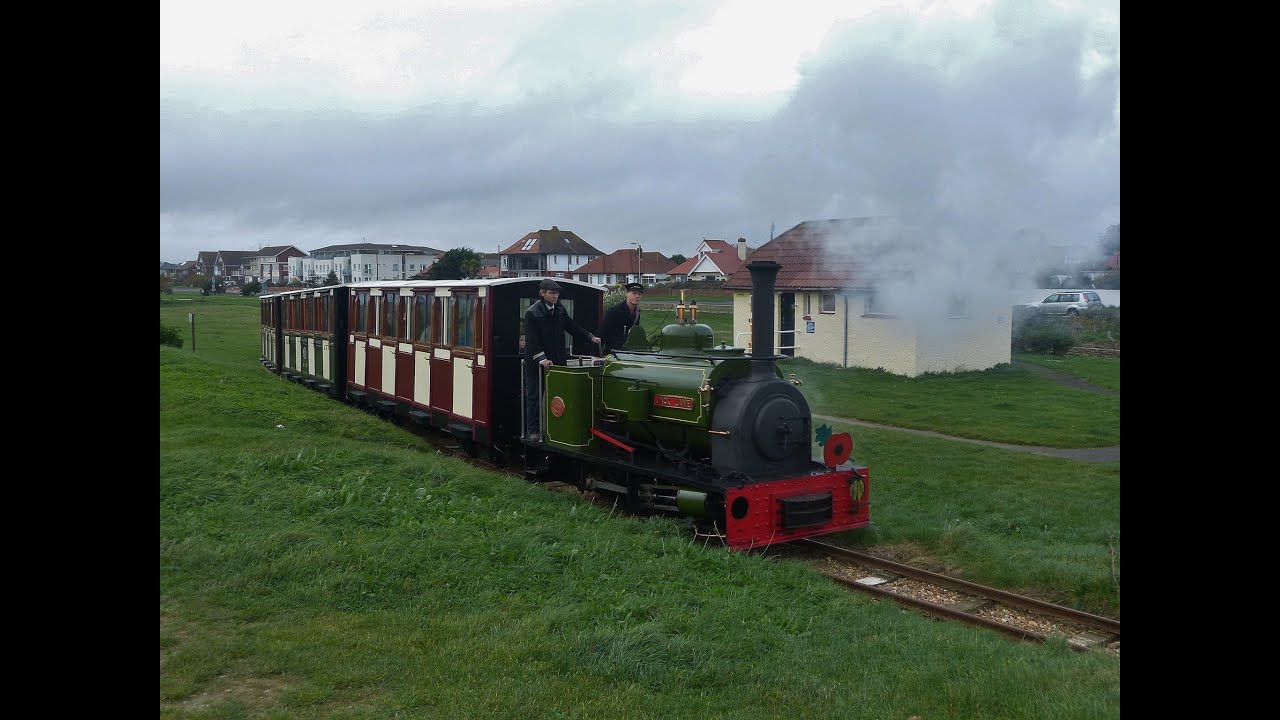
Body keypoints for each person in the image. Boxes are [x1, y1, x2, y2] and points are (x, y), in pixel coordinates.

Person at [523, 278, 601, 441]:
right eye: (552, 293)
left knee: (558, 396)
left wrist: (590, 337)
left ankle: (555, 428)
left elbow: (571, 326)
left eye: (557, 293)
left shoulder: (559, 309)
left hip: (558, 361)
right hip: (536, 366)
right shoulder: (532, 313)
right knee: (535, 397)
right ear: (542, 293)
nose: (555, 296)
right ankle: (533, 430)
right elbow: (532, 341)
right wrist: (542, 359)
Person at [600, 282, 644, 354]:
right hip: (613, 352)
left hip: (628, 351)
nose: (637, 296)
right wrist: (595, 354)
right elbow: (602, 332)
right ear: (627, 294)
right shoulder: (615, 311)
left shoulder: (637, 312)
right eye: (634, 293)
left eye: (639, 294)